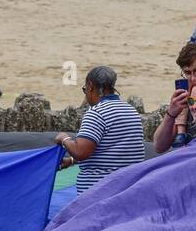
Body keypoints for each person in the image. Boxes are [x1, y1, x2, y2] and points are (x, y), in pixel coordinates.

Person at [53, 66, 145, 194]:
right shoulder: (131, 111)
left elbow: (81, 152)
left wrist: (64, 138)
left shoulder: (96, 113)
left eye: (84, 90)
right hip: (127, 190)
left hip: (98, 193)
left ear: (90, 86)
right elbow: (114, 151)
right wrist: (72, 161)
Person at [152, 43, 196, 154]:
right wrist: (171, 114)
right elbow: (159, 146)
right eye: (187, 73)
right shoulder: (184, 99)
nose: (193, 78)